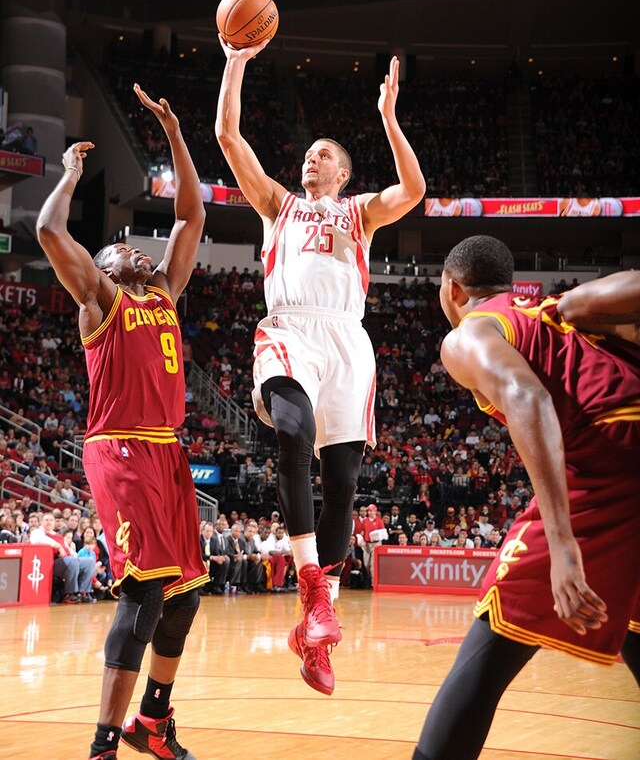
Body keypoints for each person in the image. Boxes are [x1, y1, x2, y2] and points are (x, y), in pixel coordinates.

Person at [216, 39, 425, 695]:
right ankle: (313, 586)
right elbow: (227, 135)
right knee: (292, 430)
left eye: (324, 155)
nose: (312, 158)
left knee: (341, 482)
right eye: (308, 154)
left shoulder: (359, 211)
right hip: (289, 331)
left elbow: (415, 189)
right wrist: (236, 61)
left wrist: (390, 119)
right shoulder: (279, 204)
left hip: (346, 343)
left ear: (342, 174)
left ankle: (316, 623)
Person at [413, 236, 640, 760]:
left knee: (492, 640)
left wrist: (562, 544)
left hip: (613, 456)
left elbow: (525, 394)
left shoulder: (472, 332)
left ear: (451, 290)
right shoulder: (554, 311)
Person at [36, 84, 208, 760]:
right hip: (120, 452)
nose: (133, 249)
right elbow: (51, 232)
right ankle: (103, 745)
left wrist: (173, 133)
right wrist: (70, 177)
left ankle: (152, 726)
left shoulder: (163, 291)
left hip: (166, 452)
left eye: (137, 247)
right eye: (120, 248)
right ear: (103, 268)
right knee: (141, 595)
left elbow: (191, 218)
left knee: (186, 596)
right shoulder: (100, 298)